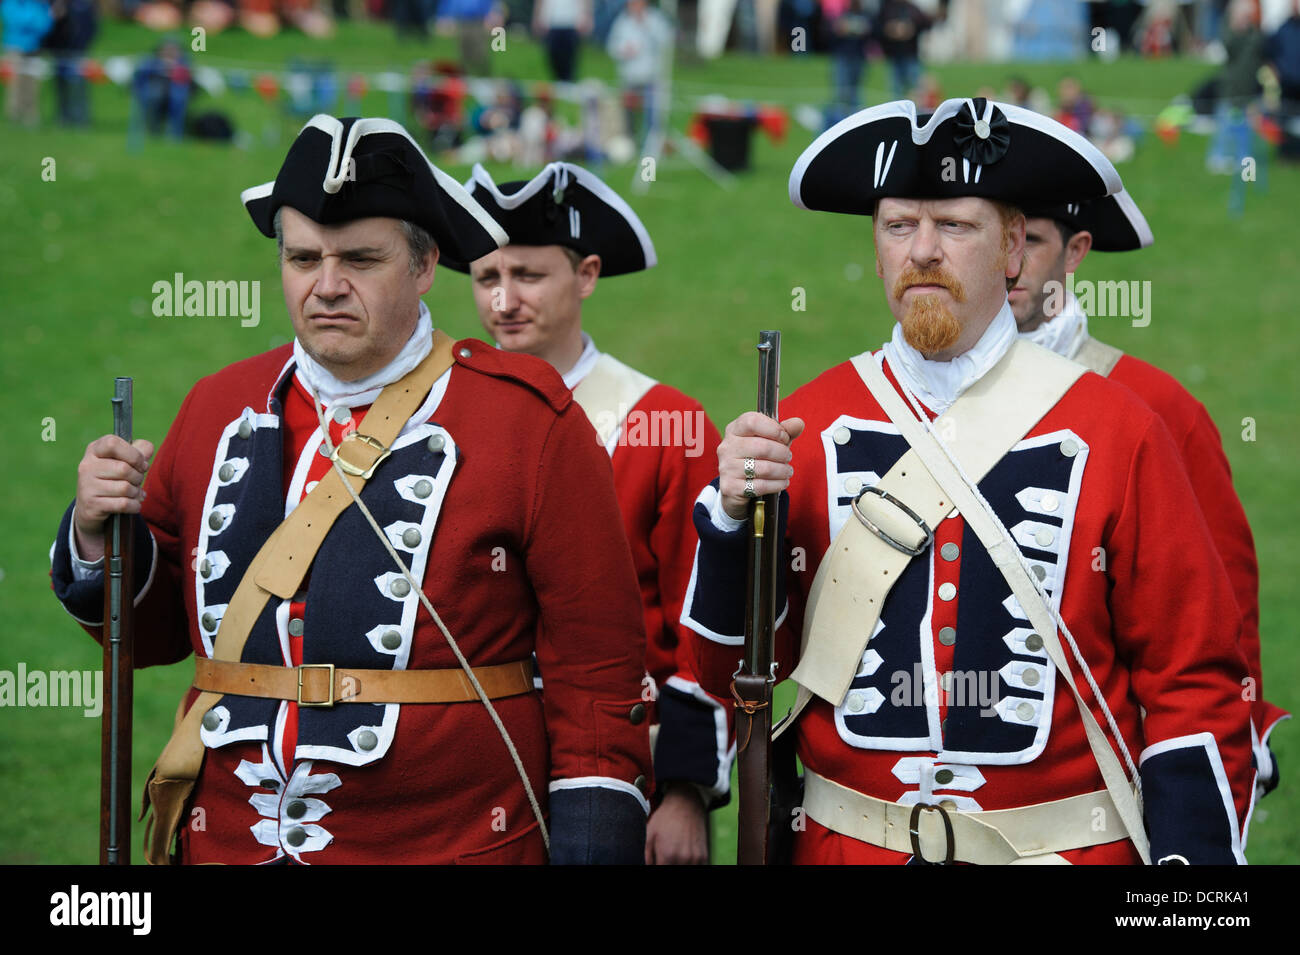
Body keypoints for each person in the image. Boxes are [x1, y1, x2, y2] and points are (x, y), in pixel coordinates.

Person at [49, 114, 653, 865]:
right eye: (303, 258)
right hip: (229, 844)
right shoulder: (217, 404)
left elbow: (597, 675)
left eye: (361, 259)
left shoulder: (527, 419)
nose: (326, 286)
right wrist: (96, 534)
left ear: (425, 265)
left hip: (450, 846)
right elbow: (155, 631)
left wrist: (594, 849)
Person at [682, 97, 1255, 864]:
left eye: (954, 225)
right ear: (877, 249)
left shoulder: (1120, 428)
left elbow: (1190, 680)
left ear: (1014, 246)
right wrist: (731, 522)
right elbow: (733, 676)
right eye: (898, 226)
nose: (923, 251)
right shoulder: (807, 424)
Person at [442, 162, 730, 865]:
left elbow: (708, 616)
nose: (504, 301)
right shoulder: (438, 413)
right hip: (470, 773)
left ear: (588, 274)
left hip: (628, 767)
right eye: (486, 279)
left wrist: (684, 790)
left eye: (529, 275)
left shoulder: (666, 422)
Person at [1010, 190, 1289, 798]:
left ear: (1075, 251)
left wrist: (1228, 746)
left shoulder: (1156, 405)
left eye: (1028, 241)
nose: (1006, 263)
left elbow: (1221, 599)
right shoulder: (898, 396)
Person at [606, 0, 674, 151]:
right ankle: (630, 142)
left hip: (650, 76)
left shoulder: (655, 19)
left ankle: (650, 144)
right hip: (630, 76)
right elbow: (612, 46)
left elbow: (665, 40)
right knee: (627, 112)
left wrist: (646, 25)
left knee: (651, 113)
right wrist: (624, 50)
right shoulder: (623, 22)